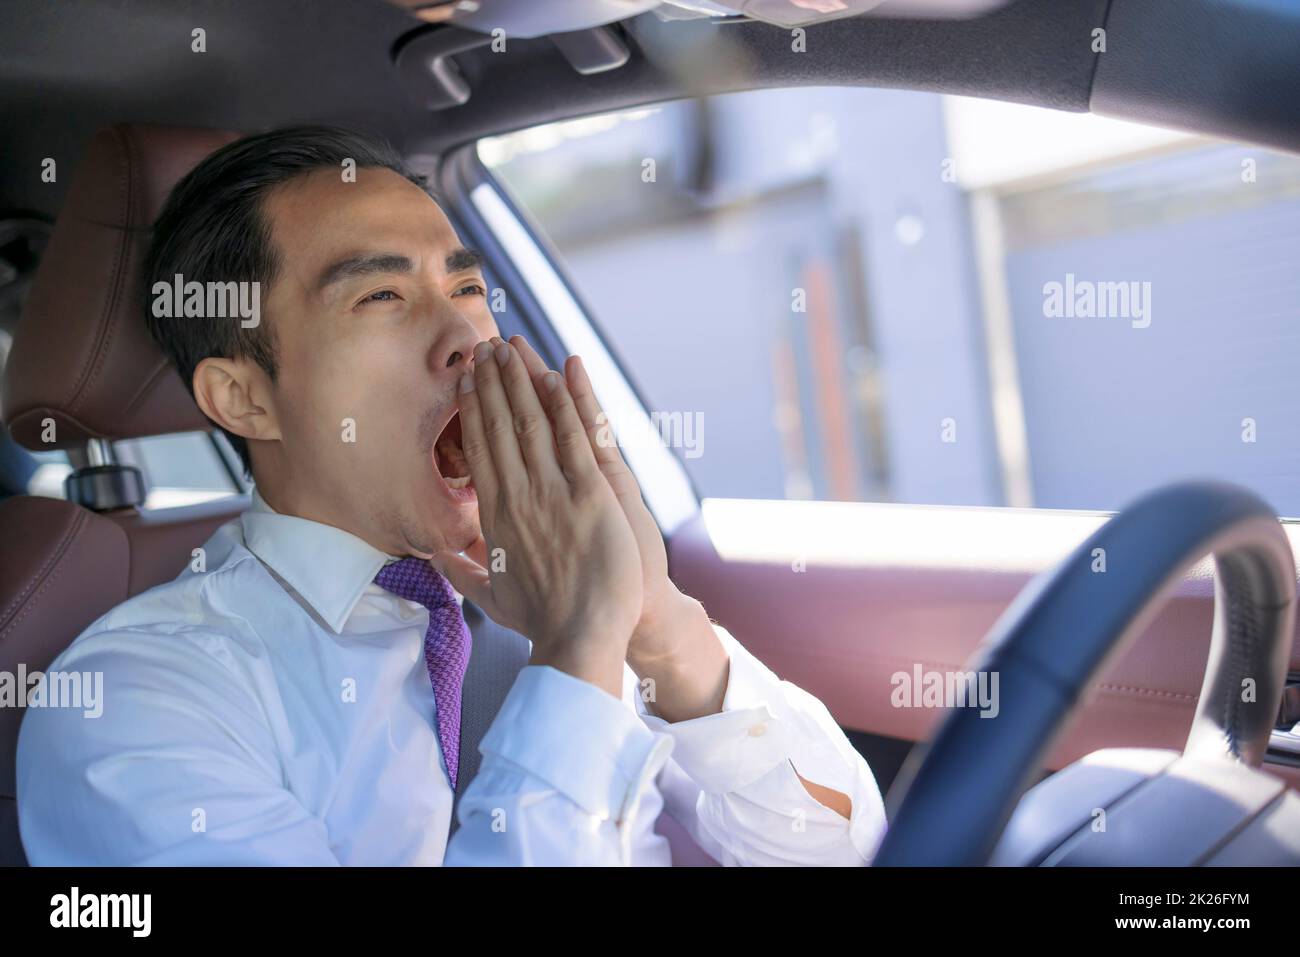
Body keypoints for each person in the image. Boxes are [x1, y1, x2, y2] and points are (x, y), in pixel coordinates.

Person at [16, 127, 886, 865]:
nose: (467, 337)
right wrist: (578, 649)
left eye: (468, 287)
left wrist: (661, 628)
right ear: (243, 397)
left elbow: (843, 849)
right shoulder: (134, 700)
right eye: (383, 295)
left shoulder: (555, 592)